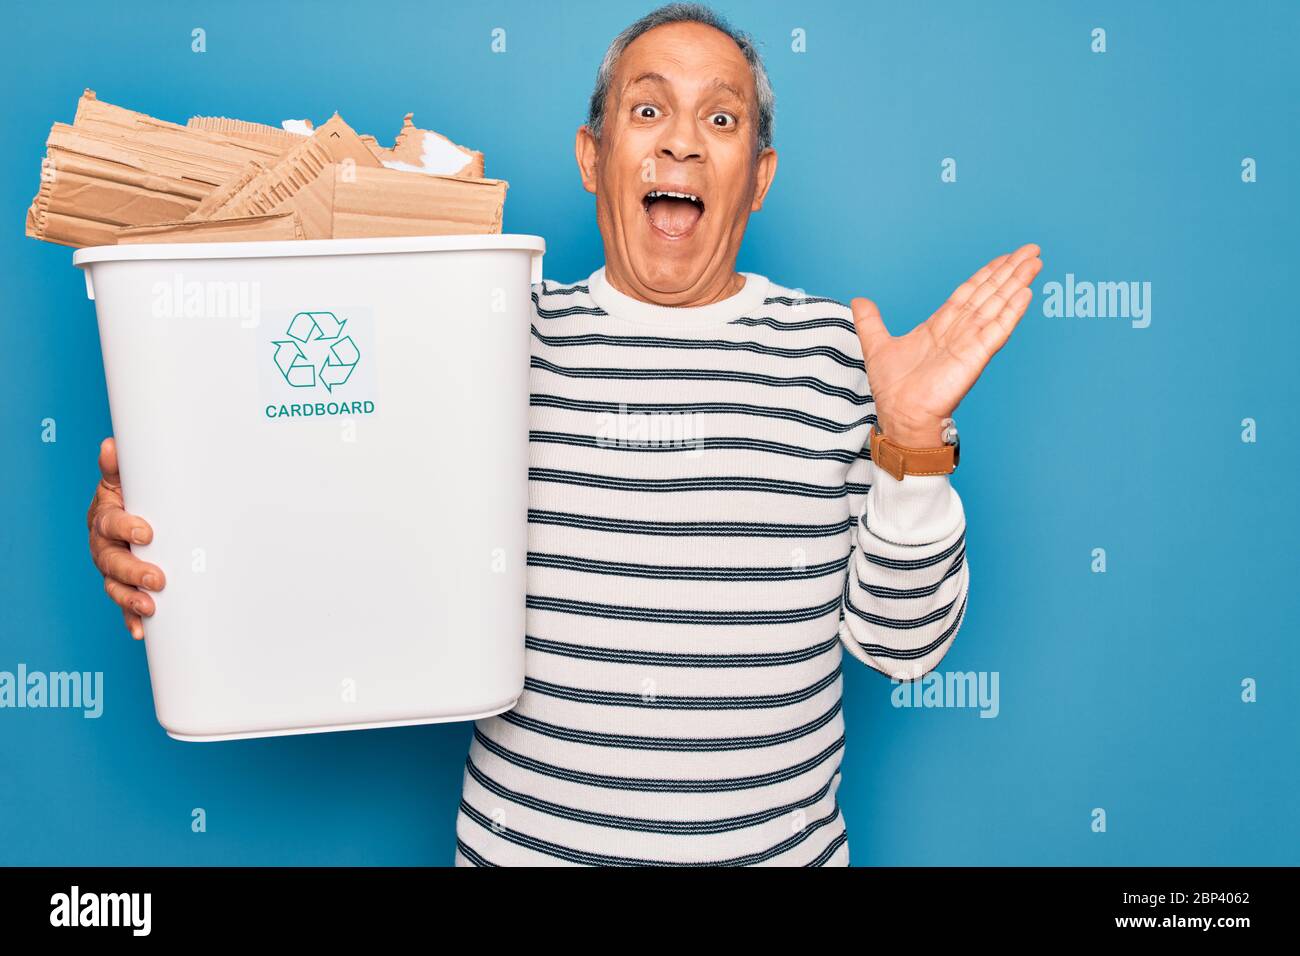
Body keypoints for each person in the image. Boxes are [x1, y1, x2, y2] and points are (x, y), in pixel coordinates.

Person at [86, 3, 1041, 866]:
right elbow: (326, 497)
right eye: (648, 110)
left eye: (722, 120)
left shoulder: (841, 355)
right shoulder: (484, 335)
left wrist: (912, 446)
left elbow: (902, 646)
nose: (682, 146)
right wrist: (166, 511)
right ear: (593, 156)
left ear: (758, 177)